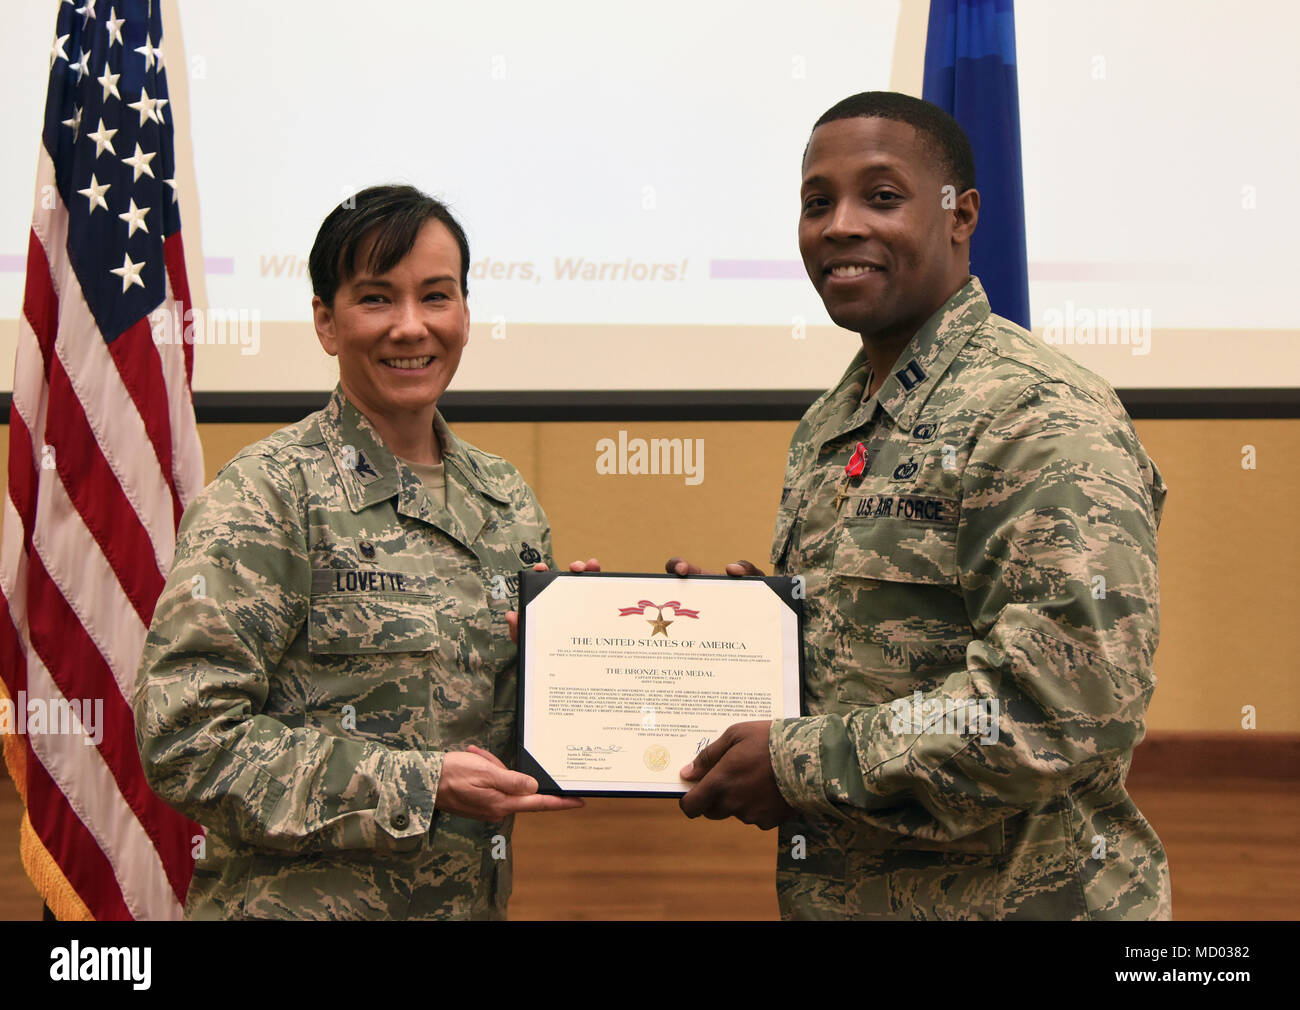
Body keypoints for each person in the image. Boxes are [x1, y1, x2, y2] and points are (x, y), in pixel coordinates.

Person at [667, 92, 1171, 920]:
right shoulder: (834, 421)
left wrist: (798, 762)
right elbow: (883, 635)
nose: (839, 226)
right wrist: (730, 634)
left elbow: (1065, 705)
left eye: (883, 196)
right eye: (817, 202)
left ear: (961, 214)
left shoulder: (1037, 413)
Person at [133, 184, 582, 920]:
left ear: (465, 312)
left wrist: (580, 647)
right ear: (326, 323)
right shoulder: (268, 497)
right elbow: (189, 739)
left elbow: (516, 729)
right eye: (377, 299)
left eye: (437, 296)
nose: (412, 328)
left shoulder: (507, 502)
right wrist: (419, 784)